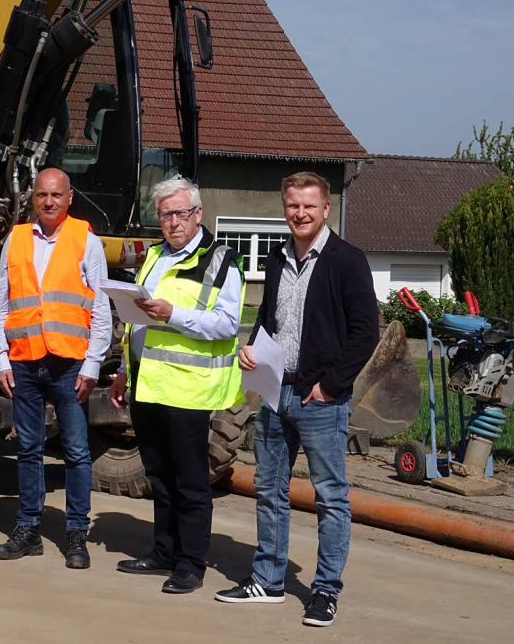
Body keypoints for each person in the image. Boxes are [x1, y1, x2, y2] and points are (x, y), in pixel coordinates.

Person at [215, 172, 378, 628]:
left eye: (309, 206)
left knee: (330, 497)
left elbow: (366, 333)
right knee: (269, 490)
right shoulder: (276, 256)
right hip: (274, 391)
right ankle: (267, 580)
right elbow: (269, 318)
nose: (300, 214)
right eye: (292, 206)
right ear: (284, 208)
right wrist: (251, 346)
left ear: (326, 209)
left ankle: (325, 591)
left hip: (320, 399)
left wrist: (330, 386)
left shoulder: (347, 261)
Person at [110, 177, 245, 594]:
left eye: (180, 213)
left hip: (190, 389)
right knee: (160, 477)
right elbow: (137, 322)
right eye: (165, 214)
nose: (172, 222)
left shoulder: (221, 260)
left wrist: (175, 314)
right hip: (147, 386)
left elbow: (227, 323)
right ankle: (164, 552)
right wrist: (122, 370)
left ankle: (190, 564)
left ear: (198, 214)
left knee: (190, 481)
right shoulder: (153, 256)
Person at [0, 168, 110, 568]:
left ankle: (76, 535)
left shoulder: (86, 240)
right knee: (27, 448)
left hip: (69, 365)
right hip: (23, 361)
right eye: (42, 195)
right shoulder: (16, 239)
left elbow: (101, 309)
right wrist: (2, 359)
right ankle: (28, 529)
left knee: (76, 452)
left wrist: (92, 364)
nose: (49, 202)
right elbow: (1, 302)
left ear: (69, 197)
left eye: (56, 195)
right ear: (33, 197)